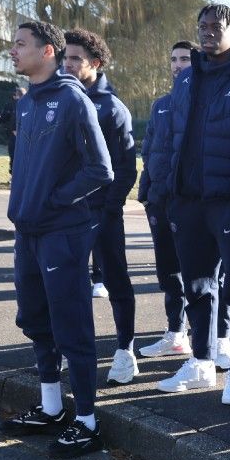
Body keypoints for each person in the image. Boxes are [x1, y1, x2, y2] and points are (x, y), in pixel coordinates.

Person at [0, 20, 113, 459]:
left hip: (62, 234)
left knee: (72, 327)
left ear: (47, 52)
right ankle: (51, 409)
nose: (13, 51)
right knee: (35, 320)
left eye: (20, 45)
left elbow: (101, 170)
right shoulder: (27, 103)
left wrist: (53, 202)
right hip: (28, 232)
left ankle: (86, 421)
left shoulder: (72, 101)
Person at [157, 4, 230, 402]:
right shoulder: (185, 80)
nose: (206, 32)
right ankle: (200, 363)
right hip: (188, 202)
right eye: (201, 26)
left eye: (215, 26)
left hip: (228, 204)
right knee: (198, 286)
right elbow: (173, 138)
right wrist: (171, 191)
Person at [63, 29, 139, 385]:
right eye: (65, 57)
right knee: (70, 285)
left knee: (116, 281)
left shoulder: (113, 108)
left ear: (95, 63)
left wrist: (109, 210)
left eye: (76, 58)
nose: (68, 64)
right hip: (67, 215)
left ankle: (125, 353)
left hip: (102, 214)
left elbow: (125, 168)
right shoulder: (61, 99)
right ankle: (75, 351)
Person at [137, 40, 195, 359]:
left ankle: (207, 338)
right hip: (159, 202)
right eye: (173, 59)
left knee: (199, 275)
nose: (177, 64)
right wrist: (146, 194)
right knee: (168, 272)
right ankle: (175, 332)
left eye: (184, 59)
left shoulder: (202, 103)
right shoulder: (161, 104)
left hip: (188, 205)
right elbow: (149, 152)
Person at [4, 86, 26, 176]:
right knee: (14, 155)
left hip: (23, 135)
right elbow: (9, 119)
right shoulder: (12, 105)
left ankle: (17, 175)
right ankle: (14, 175)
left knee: (17, 156)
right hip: (16, 134)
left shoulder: (28, 105)